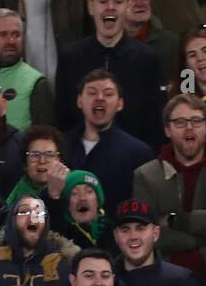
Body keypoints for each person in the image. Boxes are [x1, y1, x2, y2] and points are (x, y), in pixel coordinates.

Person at [132, 93, 206, 286]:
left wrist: (176, 221)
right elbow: (149, 237)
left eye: (196, 121)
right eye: (180, 122)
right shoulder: (146, 176)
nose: (189, 127)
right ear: (167, 130)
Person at [54, 0, 164, 148]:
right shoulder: (70, 57)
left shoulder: (148, 59)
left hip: (134, 160)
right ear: (91, 7)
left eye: (118, 1)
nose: (110, 7)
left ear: (127, 7)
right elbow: (62, 116)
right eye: (103, 1)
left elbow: (154, 120)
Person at [60, 70, 155, 206]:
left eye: (108, 94)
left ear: (120, 104)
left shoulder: (139, 153)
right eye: (92, 93)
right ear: (79, 101)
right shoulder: (61, 145)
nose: (100, 98)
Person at [110, 197, 203, 286]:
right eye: (125, 230)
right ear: (116, 236)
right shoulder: (105, 282)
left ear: (155, 233)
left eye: (140, 228)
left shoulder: (180, 281)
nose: (133, 237)